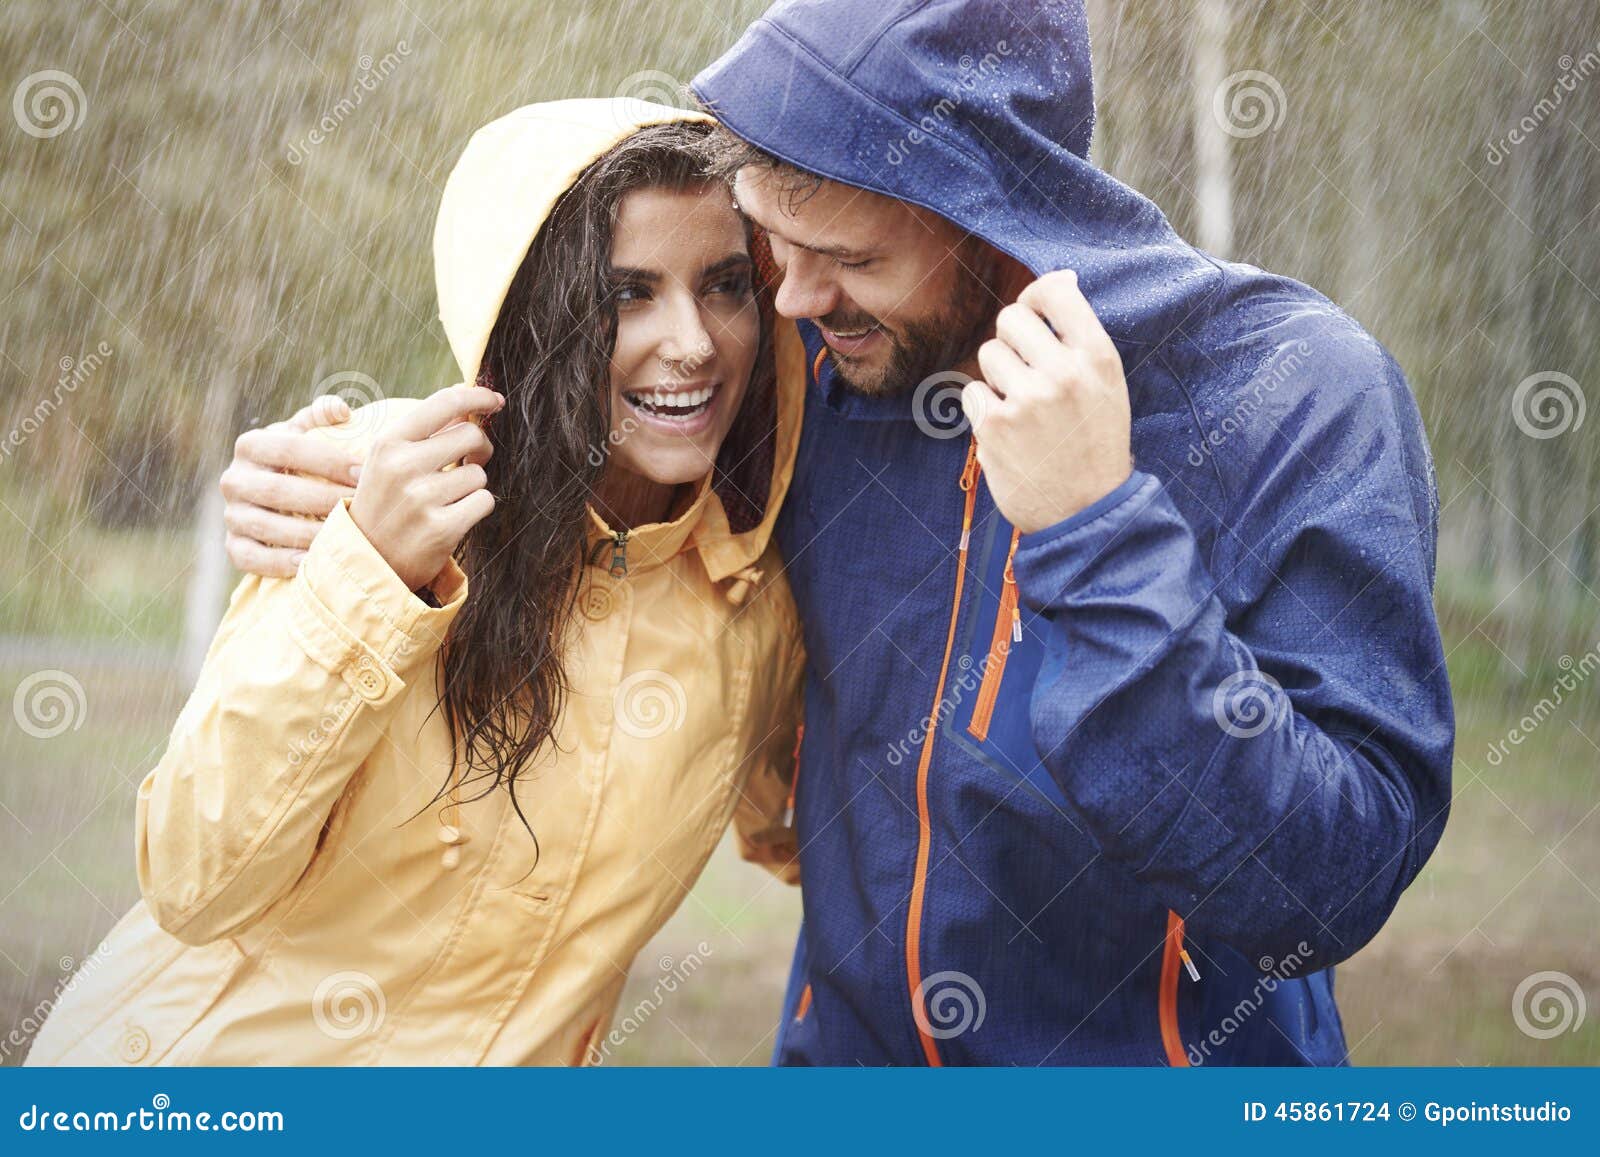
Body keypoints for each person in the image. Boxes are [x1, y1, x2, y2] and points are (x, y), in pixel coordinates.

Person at [221, 0, 1456, 1067]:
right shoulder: (821, 363)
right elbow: (594, 399)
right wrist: (353, 467)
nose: (792, 298)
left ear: (993, 207)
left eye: (844, 256)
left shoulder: (1297, 394)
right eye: (772, 247)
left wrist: (1093, 526)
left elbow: (1330, 881)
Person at [25, 98, 806, 1066]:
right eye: (626, 294)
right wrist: (369, 579)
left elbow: (816, 826)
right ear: (534, 319)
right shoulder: (368, 488)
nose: (692, 341)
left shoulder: (756, 598)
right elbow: (193, 880)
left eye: (724, 285)